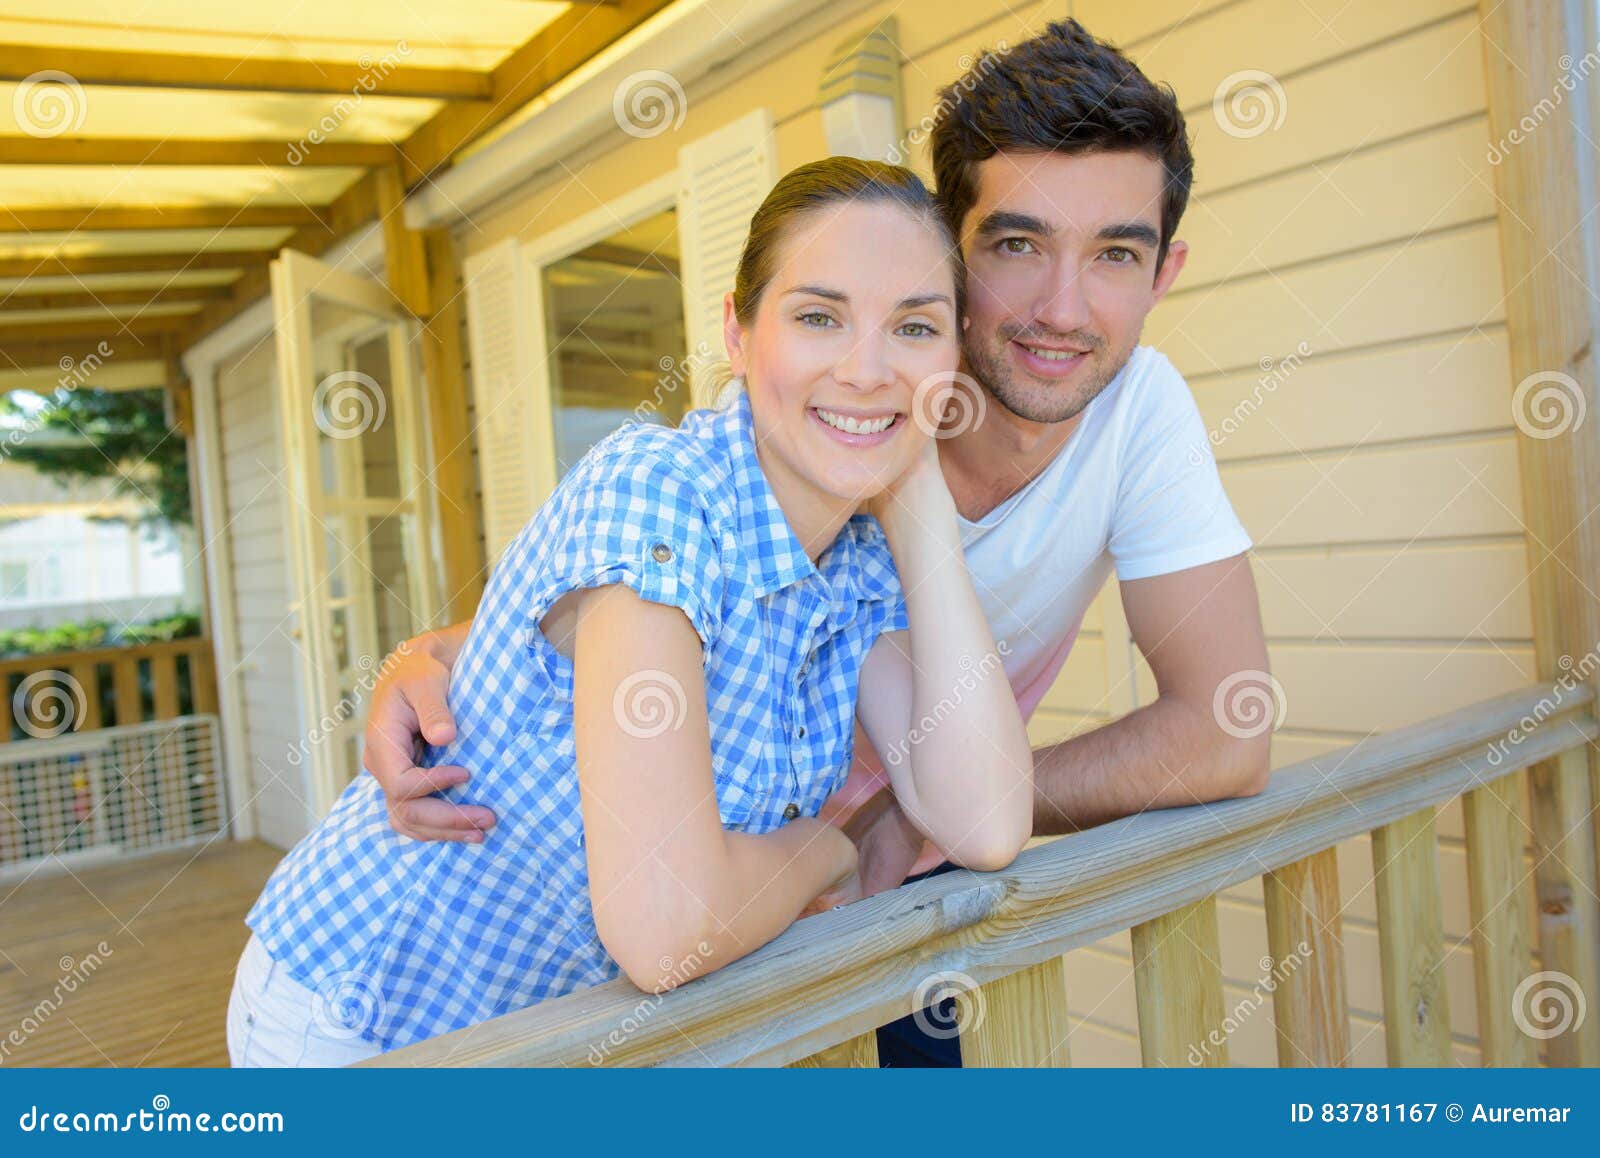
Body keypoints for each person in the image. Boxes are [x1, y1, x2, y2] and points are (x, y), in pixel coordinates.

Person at [364, 20, 1273, 1067]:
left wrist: (895, 818)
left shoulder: (1120, 420)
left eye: (1115, 252)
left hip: (885, 874)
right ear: (950, 248)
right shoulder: (812, 439)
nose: (1061, 308)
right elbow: (644, 574)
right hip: (647, 909)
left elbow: (1222, 730)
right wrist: (435, 660)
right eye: (1016, 244)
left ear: (1164, 272)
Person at [225, 157, 1033, 1066]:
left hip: (541, 1038)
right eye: (818, 316)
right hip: (368, 1018)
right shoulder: (658, 493)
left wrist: (916, 489)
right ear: (738, 334)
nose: (868, 367)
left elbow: (988, 819)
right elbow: (664, 932)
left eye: (915, 329)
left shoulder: (853, 561)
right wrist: (826, 850)